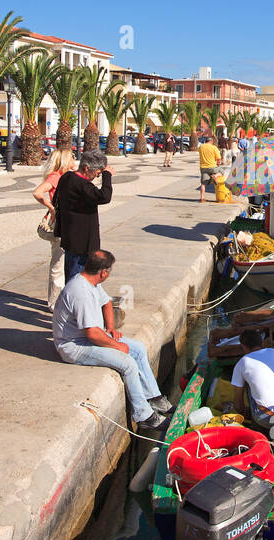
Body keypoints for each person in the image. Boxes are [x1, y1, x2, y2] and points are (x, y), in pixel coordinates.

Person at [52, 250, 173, 428]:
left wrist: (110, 328)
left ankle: (153, 397)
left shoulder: (91, 282)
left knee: (138, 348)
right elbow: (92, 333)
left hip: (90, 336)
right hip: (73, 346)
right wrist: (116, 345)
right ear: (103, 273)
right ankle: (144, 416)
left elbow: (107, 303)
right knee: (128, 363)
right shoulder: (81, 292)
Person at [54, 150, 113, 282]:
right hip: (82, 242)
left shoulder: (67, 177)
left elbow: (55, 199)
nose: (97, 177)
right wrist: (107, 176)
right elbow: (104, 196)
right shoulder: (82, 185)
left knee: (73, 275)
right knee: (77, 278)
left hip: (70, 237)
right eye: (97, 173)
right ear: (86, 168)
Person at [231, 329, 274, 441]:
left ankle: (260, 429)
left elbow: (238, 405)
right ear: (262, 343)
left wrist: (244, 412)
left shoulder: (242, 362)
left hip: (268, 420)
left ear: (243, 346)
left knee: (248, 387)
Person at [32, 148, 77, 309]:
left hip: (68, 222)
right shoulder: (56, 177)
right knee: (58, 262)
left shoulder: (66, 176)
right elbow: (38, 192)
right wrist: (51, 208)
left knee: (64, 261)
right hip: (60, 223)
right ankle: (54, 302)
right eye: (72, 157)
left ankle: (61, 299)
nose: (74, 159)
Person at [198, 133, 222, 203]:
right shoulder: (214, 147)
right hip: (212, 167)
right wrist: (218, 164)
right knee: (222, 171)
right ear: (211, 141)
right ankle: (215, 176)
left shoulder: (201, 147)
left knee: (203, 183)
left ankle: (202, 198)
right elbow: (218, 159)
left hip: (203, 167)